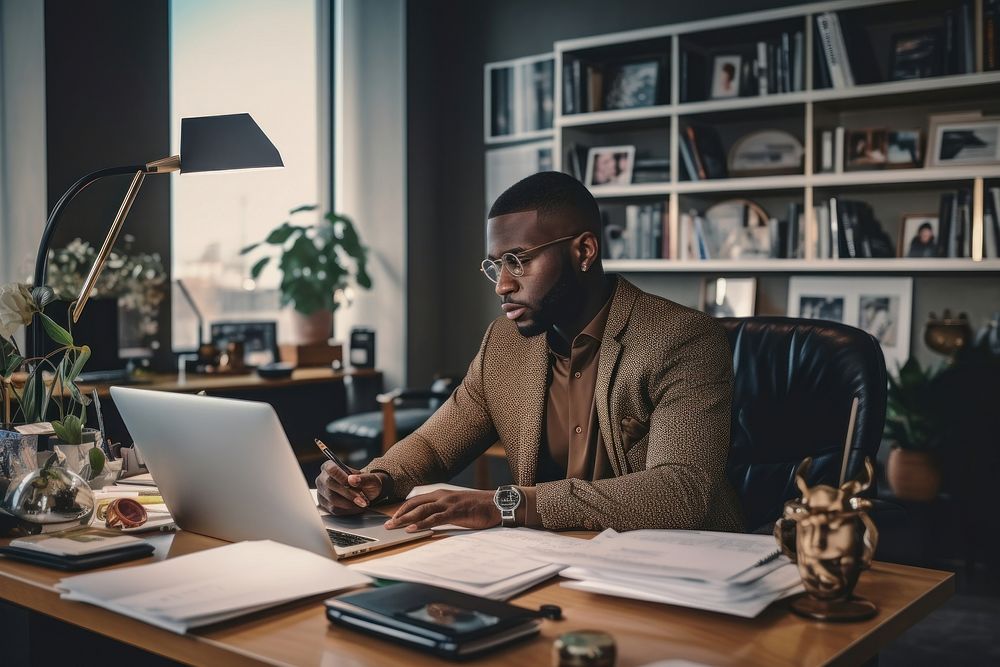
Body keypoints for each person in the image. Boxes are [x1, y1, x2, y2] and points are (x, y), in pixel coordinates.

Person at [316, 171, 743, 533]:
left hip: (681, 571)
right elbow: (434, 446)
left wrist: (506, 504)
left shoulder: (683, 338)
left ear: (584, 251)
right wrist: (375, 478)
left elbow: (682, 492)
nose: (502, 284)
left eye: (518, 260)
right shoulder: (504, 344)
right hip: (554, 561)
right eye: (495, 265)